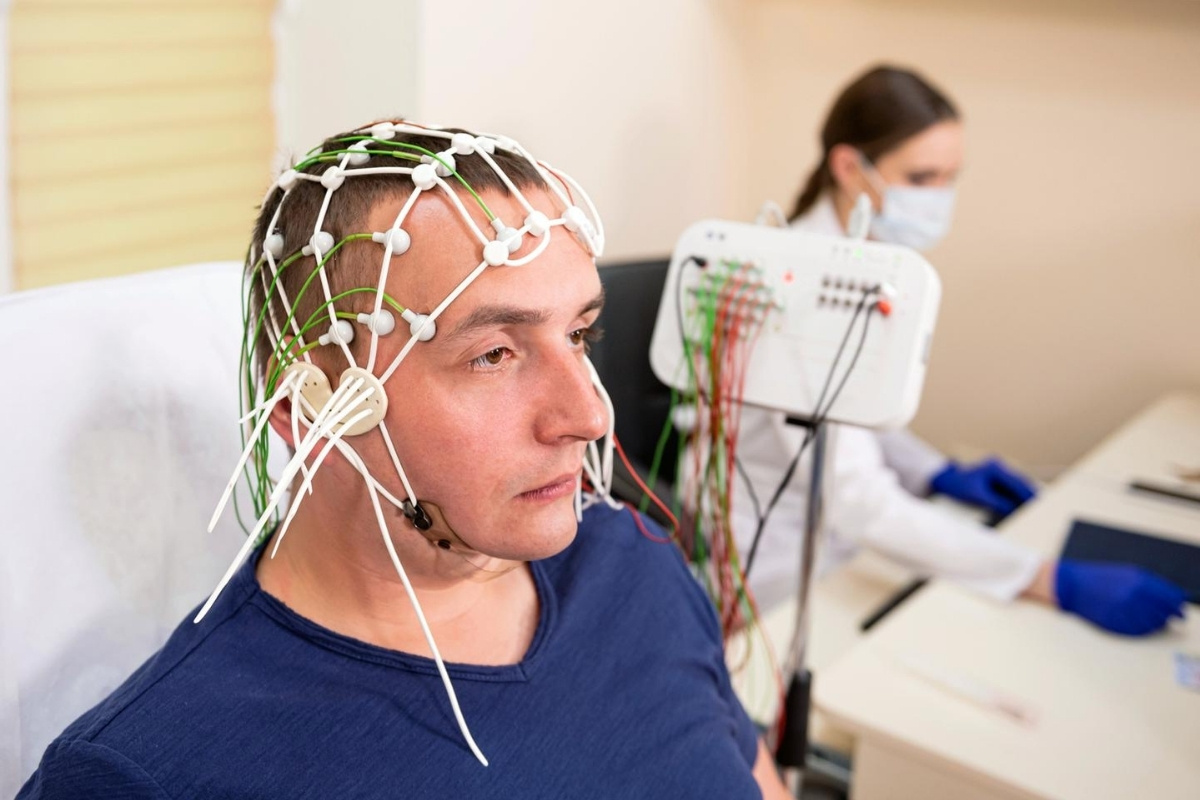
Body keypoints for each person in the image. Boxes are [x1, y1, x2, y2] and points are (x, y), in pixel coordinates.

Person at [19, 121, 790, 798]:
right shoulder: (148, 772)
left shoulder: (634, 565)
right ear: (307, 407)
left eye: (579, 334)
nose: (587, 416)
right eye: (493, 354)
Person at [735, 65, 1186, 637]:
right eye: (922, 177)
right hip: (780, 562)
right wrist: (1046, 578)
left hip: (845, 536)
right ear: (849, 168)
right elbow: (856, 496)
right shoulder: (798, 286)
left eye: (950, 178)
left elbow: (849, 409)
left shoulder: (867, 259)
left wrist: (937, 471)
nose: (938, 198)